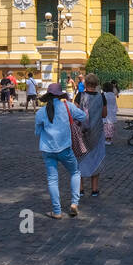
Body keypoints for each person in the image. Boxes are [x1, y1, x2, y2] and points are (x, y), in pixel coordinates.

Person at [34, 83, 88, 219]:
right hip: (65, 148)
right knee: (75, 172)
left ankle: (56, 211)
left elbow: (37, 132)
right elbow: (83, 117)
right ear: (60, 95)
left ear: (47, 96)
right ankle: (74, 203)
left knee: (52, 179)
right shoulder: (67, 106)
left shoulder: (40, 112)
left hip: (47, 150)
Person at [75, 74, 107, 196]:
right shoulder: (101, 97)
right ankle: (94, 189)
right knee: (96, 158)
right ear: (96, 84)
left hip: (82, 132)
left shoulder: (80, 95)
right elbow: (104, 114)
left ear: (85, 84)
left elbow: (76, 113)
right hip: (97, 132)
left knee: (80, 159)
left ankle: (80, 189)